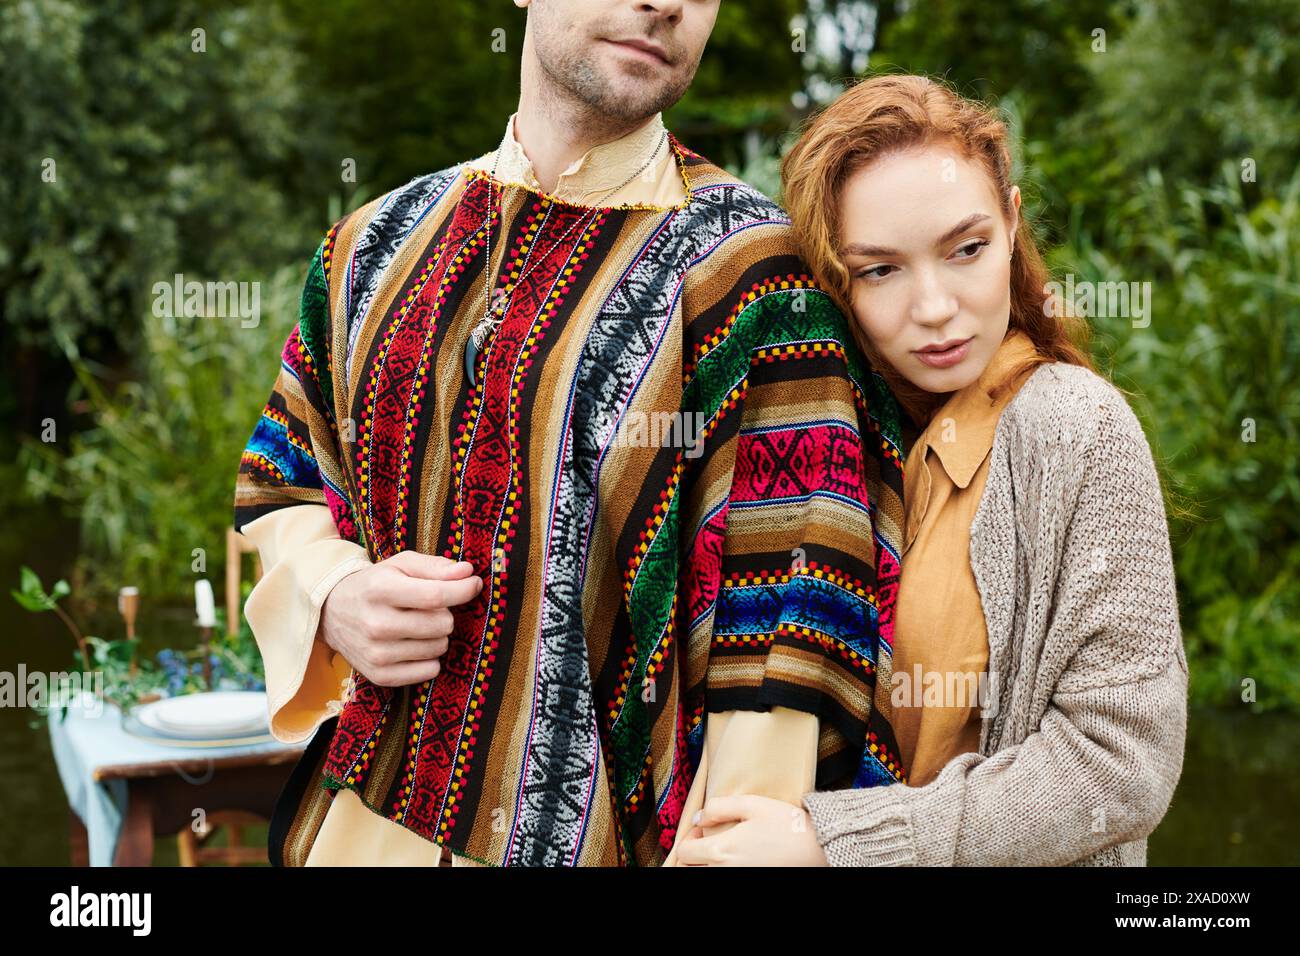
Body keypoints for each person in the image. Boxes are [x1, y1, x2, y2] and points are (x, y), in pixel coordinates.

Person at [234, 0, 909, 867]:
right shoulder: (371, 247)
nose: (662, 3)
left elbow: (789, 621)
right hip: (357, 835)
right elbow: (281, 478)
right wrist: (335, 596)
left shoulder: (755, 284)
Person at [672, 74, 1188, 866]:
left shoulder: (1075, 429)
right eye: (881, 270)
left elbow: (1120, 768)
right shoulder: (835, 438)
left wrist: (835, 843)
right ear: (834, 281)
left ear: (1013, 223)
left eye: (967, 249)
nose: (937, 306)